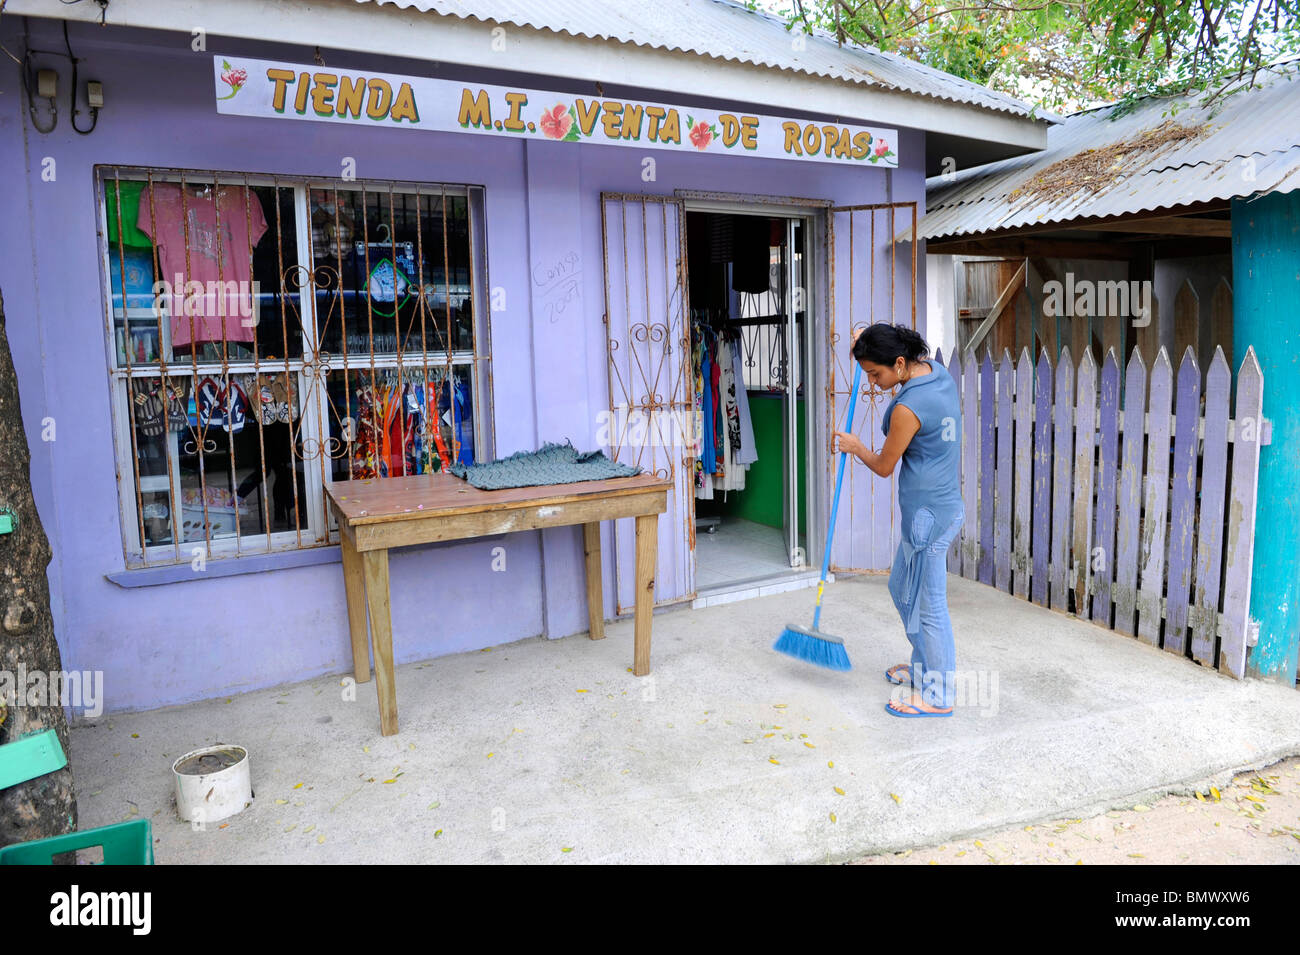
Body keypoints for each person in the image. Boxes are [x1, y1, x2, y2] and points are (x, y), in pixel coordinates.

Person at [833, 324, 964, 718]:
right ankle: (924, 669)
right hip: (938, 509)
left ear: (900, 363)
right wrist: (864, 338)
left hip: (928, 516)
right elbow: (891, 340)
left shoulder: (907, 409)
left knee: (929, 607)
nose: (872, 382)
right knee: (902, 588)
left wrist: (856, 447)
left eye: (876, 373)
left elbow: (885, 465)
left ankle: (938, 695)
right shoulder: (935, 374)